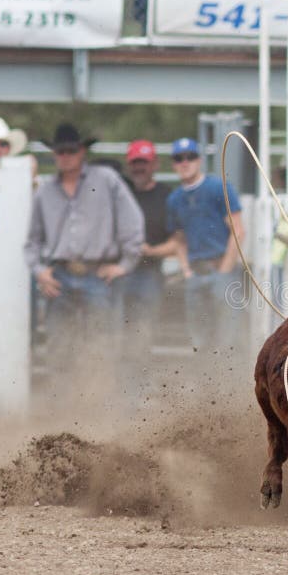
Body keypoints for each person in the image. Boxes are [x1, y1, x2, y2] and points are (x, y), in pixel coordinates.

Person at [24, 122, 144, 401]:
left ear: (81, 152)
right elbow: (31, 243)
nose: (65, 156)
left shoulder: (106, 180)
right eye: (60, 151)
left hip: (98, 274)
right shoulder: (45, 192)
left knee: (103, 347)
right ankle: (64, 413)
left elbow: (132, 224)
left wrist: (125, 264)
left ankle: (100, 411)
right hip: (61, 277)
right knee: (59, 348)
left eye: (70, 150)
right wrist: (40, 272)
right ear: (54, 154)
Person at [166, 137, 245, 355]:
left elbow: (237, 230)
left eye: (189, 157)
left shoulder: (218, 188)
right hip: (196, 274)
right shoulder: (175, 199)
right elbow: (179, 238)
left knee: (227, 337)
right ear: (173, 164)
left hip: (221, 270)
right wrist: (186, 270)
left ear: (199, 160)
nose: (184, 162)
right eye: (179, 158)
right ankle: (203, 383)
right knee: (199, 339)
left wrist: (225, 270)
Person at [119, 139, 179, 397]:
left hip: (148, 272)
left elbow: (178, 241)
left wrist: (151, 251)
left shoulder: (166, 196)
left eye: (143, 162)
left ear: (154, 164)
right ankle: (118, 391)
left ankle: (134, 393)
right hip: (121, 272)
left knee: (142, 334)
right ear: (129, 165)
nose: (139, 167)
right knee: (115, 332)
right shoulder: (121, 192)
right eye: (135, 163)